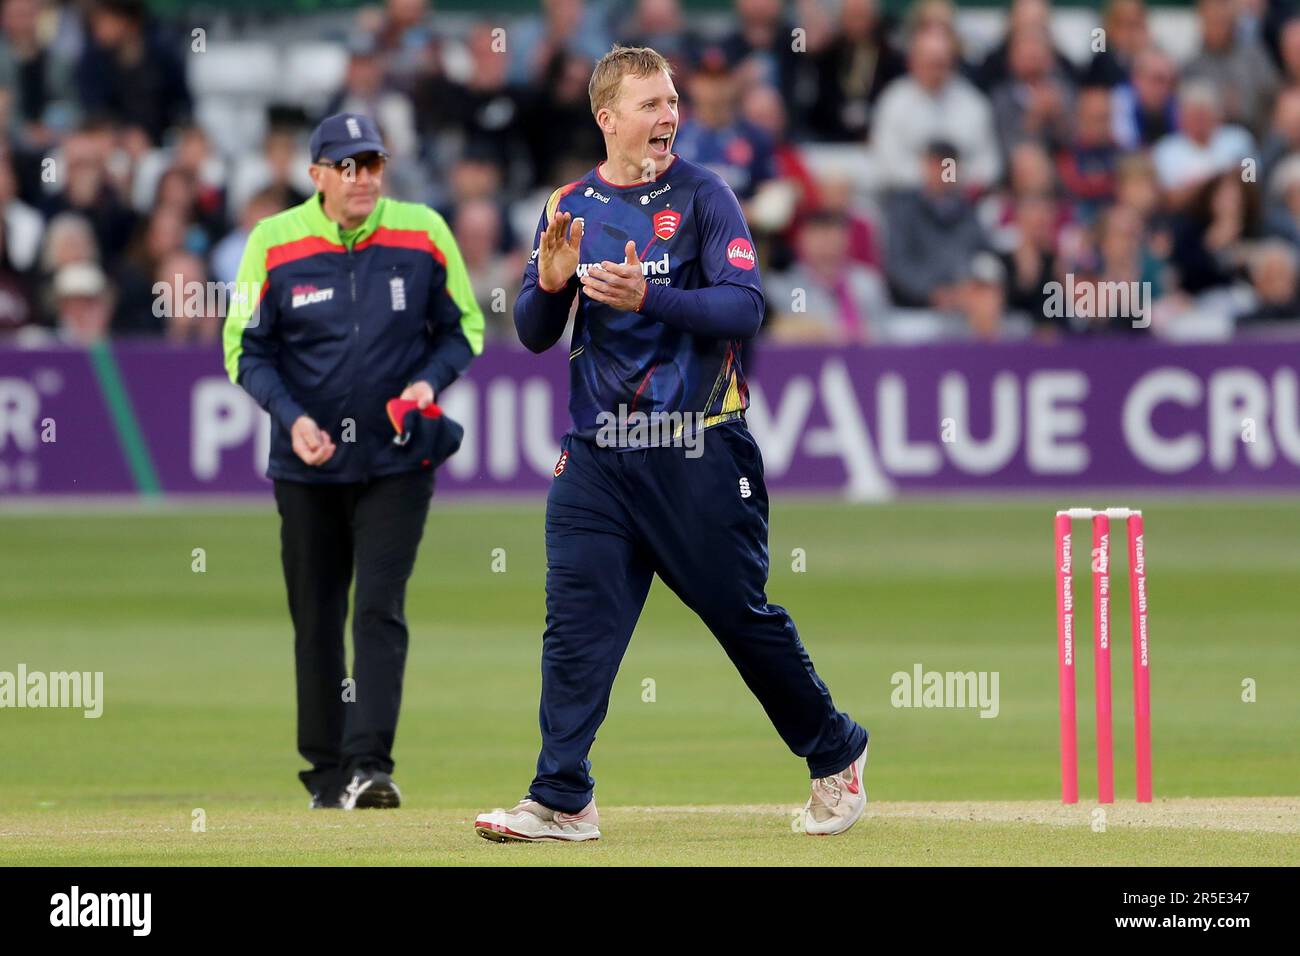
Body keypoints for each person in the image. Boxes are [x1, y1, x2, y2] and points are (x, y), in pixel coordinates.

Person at [474, 46, 869, 843]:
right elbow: (533, 334)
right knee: (576, 626)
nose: (668, 117)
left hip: (698, 447)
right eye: (650, 105)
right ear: (606, 117)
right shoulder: (569, 203)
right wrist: (550, 284)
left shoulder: (704, 196)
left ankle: (836, 752)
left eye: (672, 102)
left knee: (739, 615)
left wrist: (649, 294)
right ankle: (561, 798)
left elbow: (743, 309)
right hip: (596, 456)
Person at [222, 112, 484, 810]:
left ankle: (369, 765)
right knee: (315, 614)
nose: (363, 178)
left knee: (378, 607)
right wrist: (293, 417)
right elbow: (244, 347)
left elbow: (466, 327)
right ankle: (326, 772)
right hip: (306, 465)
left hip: (397, 459)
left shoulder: (424, 231)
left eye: (371, 164)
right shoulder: (271, 242)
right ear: (316, 176)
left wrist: (429, 381)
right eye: (347, 166)